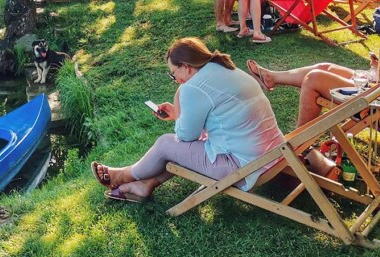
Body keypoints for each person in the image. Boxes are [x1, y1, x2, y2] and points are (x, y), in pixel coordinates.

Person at [246, 9, 380, 176]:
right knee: (325, 67)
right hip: (376, 87)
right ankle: (272, 78)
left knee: (314, 80)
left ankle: (297, 144)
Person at [90, 38, 285, 202]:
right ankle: (145, 184)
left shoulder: (193, 88)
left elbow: (185, 137)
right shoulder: (226, 69)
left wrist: (179, 95)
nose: (175, 79)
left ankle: (123, 176)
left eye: (173, 73)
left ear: (186, 67)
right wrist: (178, 113)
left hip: (243, 166)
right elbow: (220, 117)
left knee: (166, 143)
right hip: (272, 152)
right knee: (187, 146)